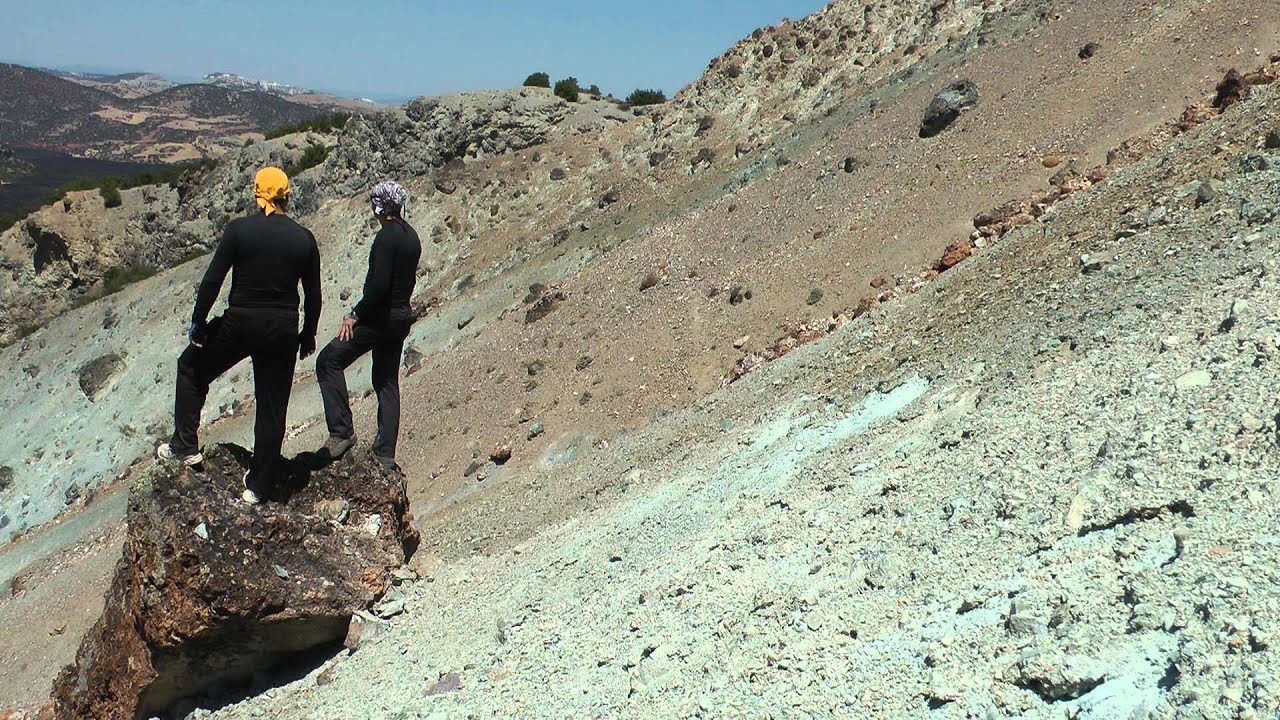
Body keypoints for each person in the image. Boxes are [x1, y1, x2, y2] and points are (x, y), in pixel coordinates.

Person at [157, 167, 322, 505]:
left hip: (241, 322)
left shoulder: (239, 231)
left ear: (258, 193)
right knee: (272, 406)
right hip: (283, 329)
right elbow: (314, 295)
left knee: (191, 367)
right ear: (287, 195)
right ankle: (259, 485)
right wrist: (308, 335)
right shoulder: (304, 239)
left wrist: (199, 322)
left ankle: (184, 445)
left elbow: (213, 280)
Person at [315, 180, 421, 469]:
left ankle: (341, 433)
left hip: (379, 319)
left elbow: (378, 286)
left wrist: (355, 315)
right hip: (400, 318)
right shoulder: (412, 236)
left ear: (380, 208)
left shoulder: (386, 237)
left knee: (328, 361)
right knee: (386, 381)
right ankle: (385, 453)